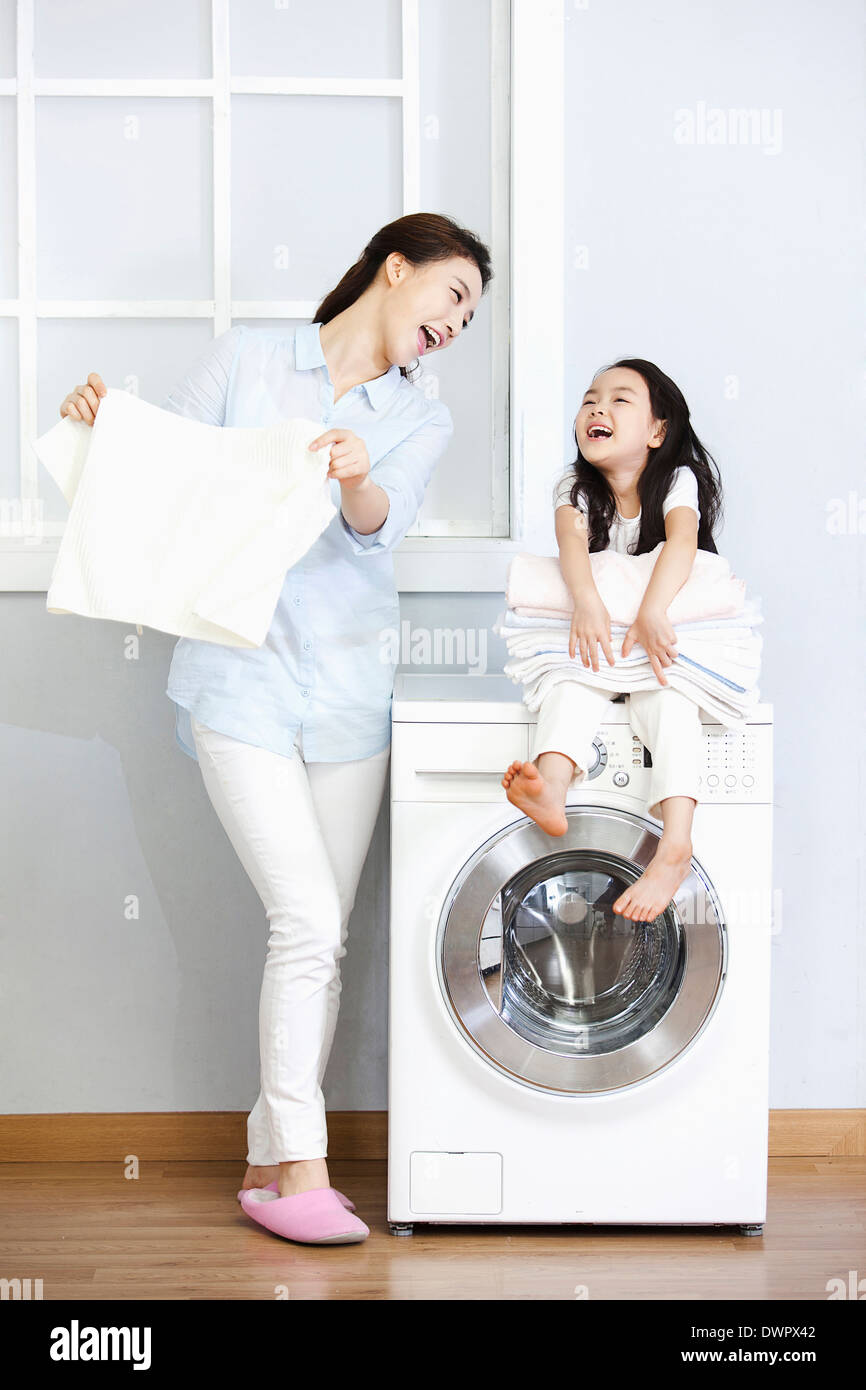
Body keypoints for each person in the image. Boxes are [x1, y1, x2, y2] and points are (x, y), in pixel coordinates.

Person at [59, 212, 492, 1245]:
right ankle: (304, 1163)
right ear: (397, 271)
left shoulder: (416, 416)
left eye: (471, 319)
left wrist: (353, 473)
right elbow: (164, 472)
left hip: (348, 700)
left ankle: (264, 1162)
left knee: (318, 938)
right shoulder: (252, 359)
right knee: (306, 919)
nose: (456, 326)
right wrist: (97, 420)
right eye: (453, 298)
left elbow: (377, 522)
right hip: (237, 682)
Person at [501, 358, 723, 924]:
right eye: (590, 398)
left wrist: (650, 610)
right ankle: (552, 787)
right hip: (604, 644)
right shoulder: (573, 486)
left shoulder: (676, 481)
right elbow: (572, 550)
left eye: (620, 400)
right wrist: (589, 603)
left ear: (656, 431)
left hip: (656, 643)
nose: (598, 408)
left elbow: (682, 543)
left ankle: (675, 844)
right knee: (570, 684)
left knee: (670, 704)